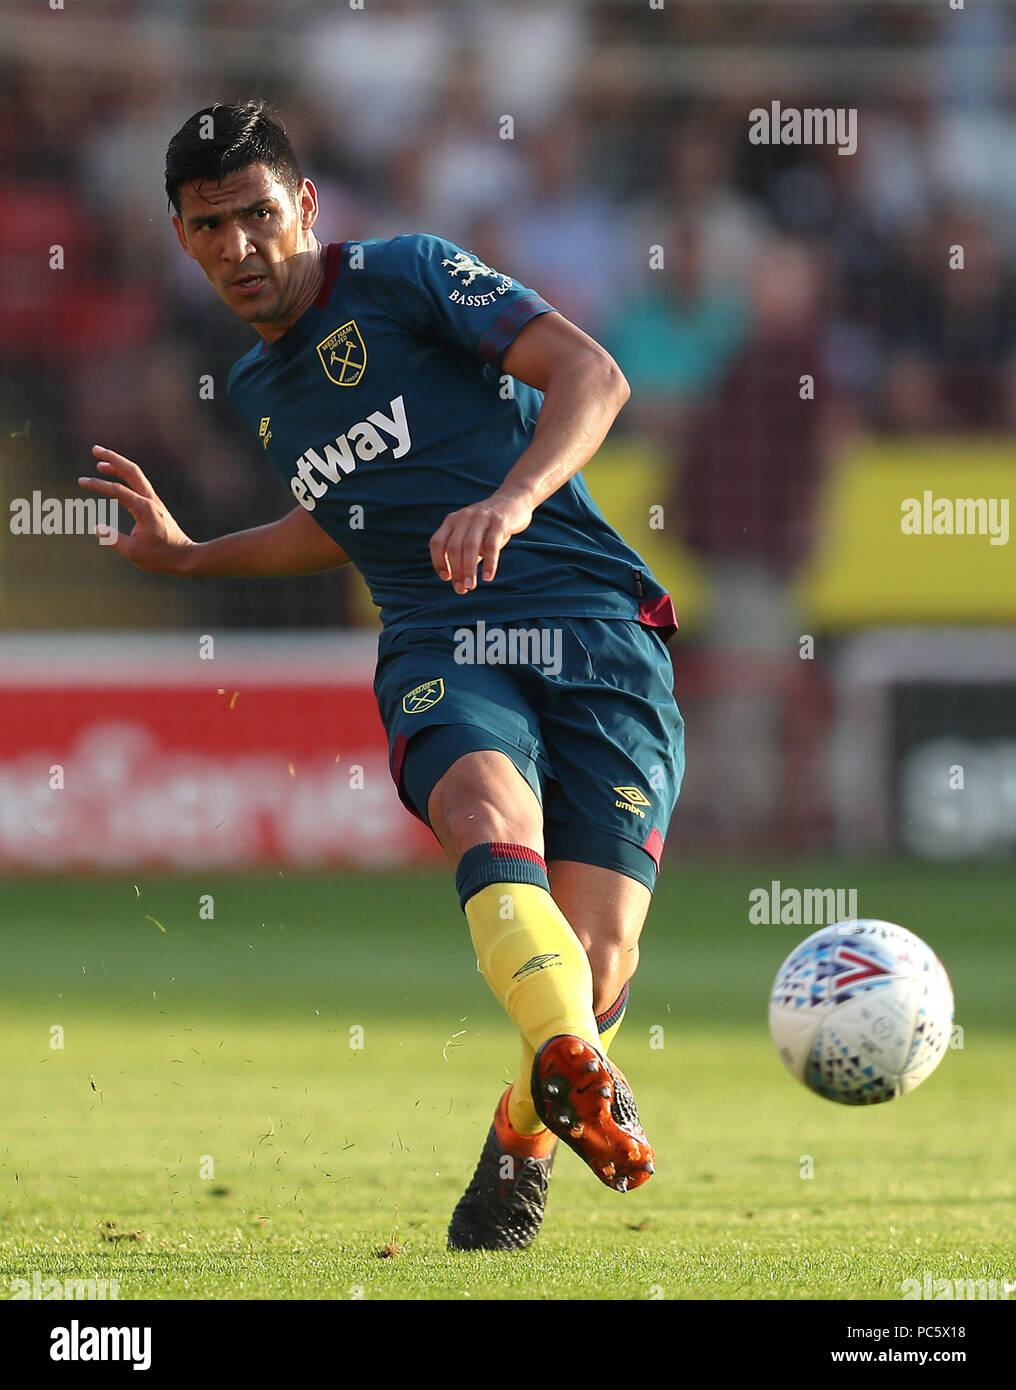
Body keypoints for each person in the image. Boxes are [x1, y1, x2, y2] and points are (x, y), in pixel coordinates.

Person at [79, 101, 684, 1252]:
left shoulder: (406, 274)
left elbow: (591, 375)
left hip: (588, 621)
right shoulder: (260, 392)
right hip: (437, 634)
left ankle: (522, 1131)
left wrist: (507, 501)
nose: (240, 246)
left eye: (259, 215)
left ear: (304, 206)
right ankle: (572, 1077)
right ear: (182, 239)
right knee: (477, 808)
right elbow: (343, 519)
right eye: (210, 226)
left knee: (596, 964)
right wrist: (191, 556)